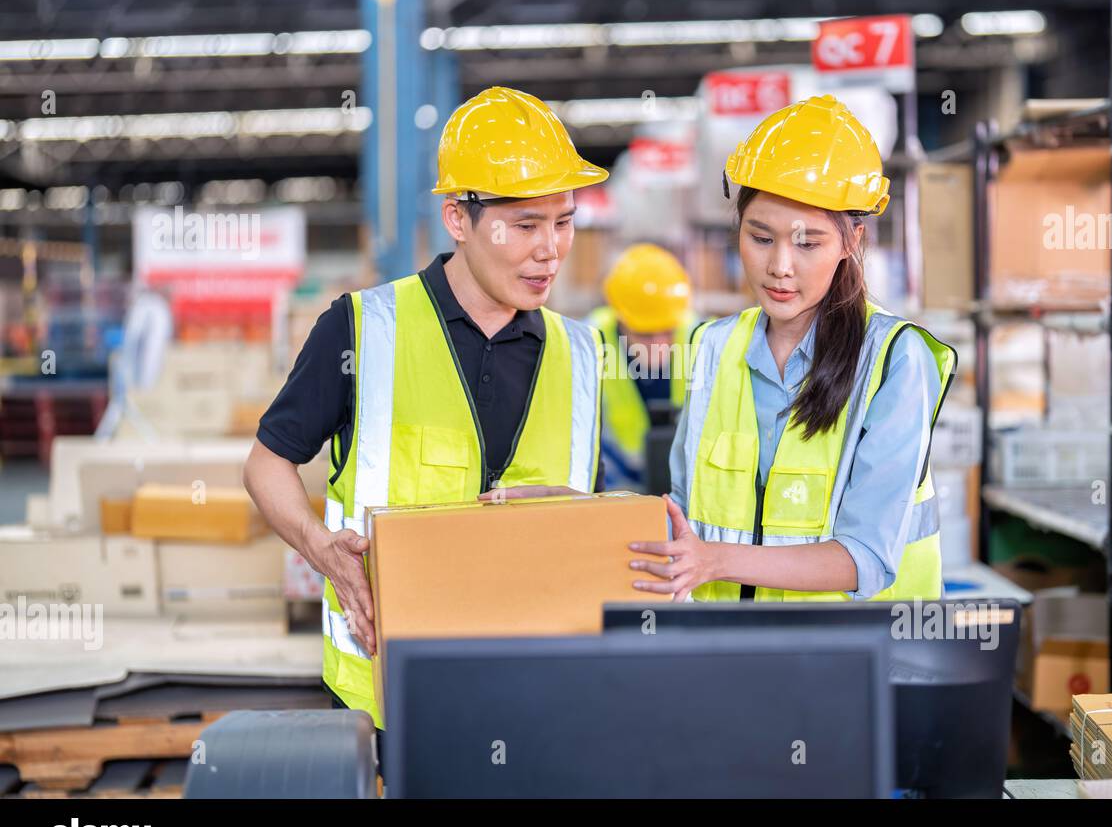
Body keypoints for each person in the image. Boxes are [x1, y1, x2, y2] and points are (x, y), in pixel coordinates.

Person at [244, 86, 609, 729]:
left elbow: (591, 516)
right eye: (525, 225)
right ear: (458, 218)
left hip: (534, 695)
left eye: (564, 220)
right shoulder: (362, 330)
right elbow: (267, 462)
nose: (550, 249)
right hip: (384, 699)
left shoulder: (582, 354)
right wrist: (320, 547)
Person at [626, 94, 957, 602]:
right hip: (733, 658)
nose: (780, 266)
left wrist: (714, 560)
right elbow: (683, 515)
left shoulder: (895, 361)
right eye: (761, 238)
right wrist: (581, 509)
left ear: (852, 240)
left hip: (856, 665)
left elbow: (865, 557)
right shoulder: (714, 346)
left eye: (807, 244)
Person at [586, 244, 695, 489]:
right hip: (615, 491)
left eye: (667, 333)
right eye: (645, 335)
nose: (658, 346)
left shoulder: (701, 339)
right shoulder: (589, 344)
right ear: (620, 319)